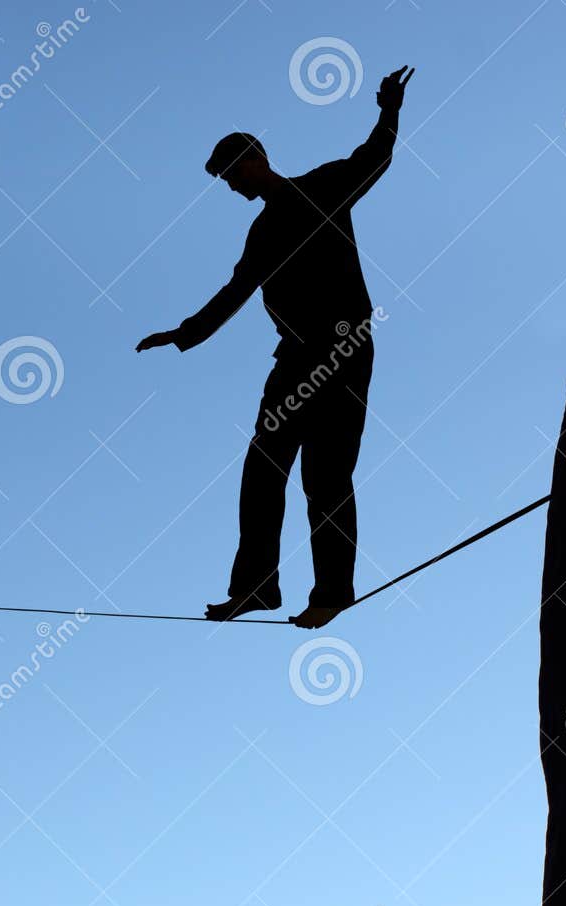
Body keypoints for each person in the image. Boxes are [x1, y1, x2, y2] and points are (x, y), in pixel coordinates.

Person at [137, 66, 414, 627]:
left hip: (341, 351)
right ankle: (258, 587)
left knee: (326, 475)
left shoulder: (322, 186)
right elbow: (236, 290)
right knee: (263, 468)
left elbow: (373, 158)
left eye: (230, 174)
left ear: (254, 159)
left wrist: (389, 109)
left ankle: (333, 591)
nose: (231, 187)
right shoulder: (261, 234)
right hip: (294, 358)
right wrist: (184, 333)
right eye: (224, 180)